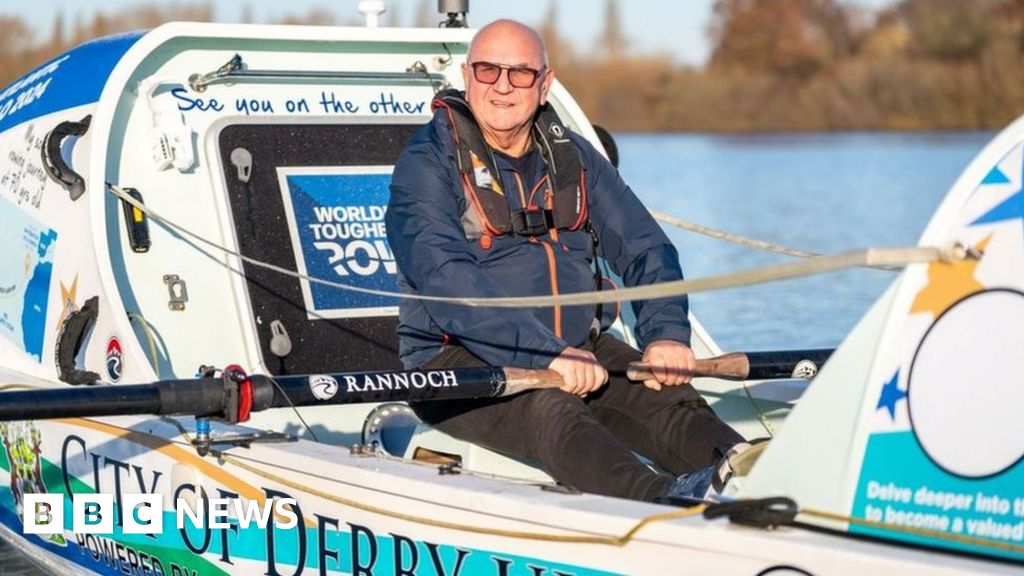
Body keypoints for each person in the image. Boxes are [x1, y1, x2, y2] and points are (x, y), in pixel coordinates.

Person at [386, 19, 750, 502]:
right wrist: (545, 355)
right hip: (457, 363)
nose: (501, 85)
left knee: (670, 398)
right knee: (550, 407)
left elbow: (646, 246)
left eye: (519, 73)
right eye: (488, 69)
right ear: (466, 75)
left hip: (578, 348)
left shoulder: (573, 156)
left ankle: (755, 477)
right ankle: (664, 504)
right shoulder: (425, 165)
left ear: (545, 84)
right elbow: (449, 282)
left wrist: (664, 334)